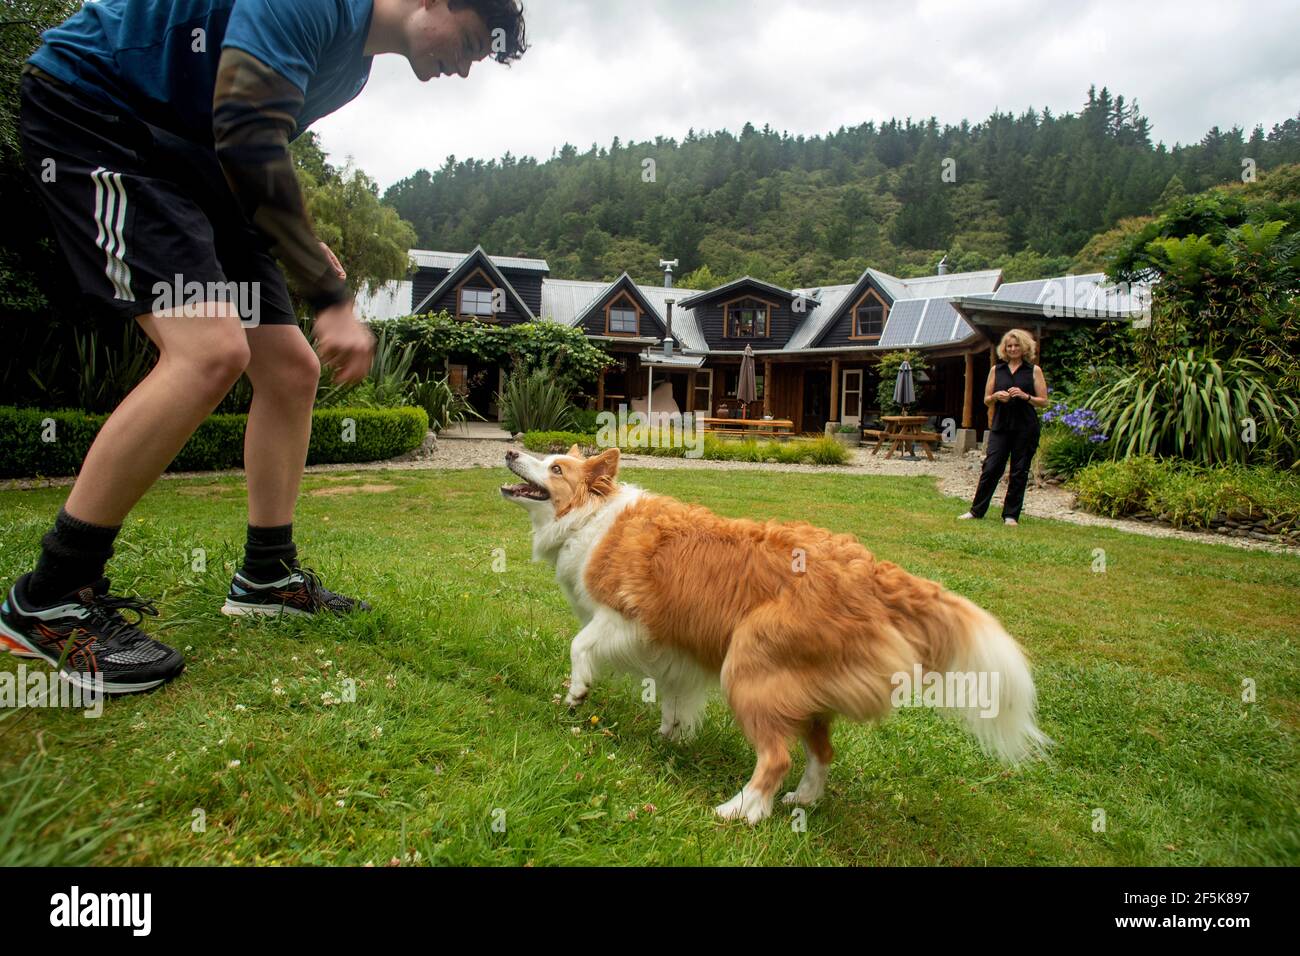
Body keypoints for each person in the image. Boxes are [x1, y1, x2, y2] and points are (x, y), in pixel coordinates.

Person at [0, 0, 529, 694]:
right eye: (470, 42)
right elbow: (247, 132)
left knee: (290, 369)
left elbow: (256, 154)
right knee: (210, 352)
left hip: (200, 164)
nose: (464, 67)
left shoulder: (352, 74)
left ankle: (267, 576)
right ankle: (50, 598)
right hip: (103, 115)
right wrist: (330, 297)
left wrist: (303, 242)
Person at [959, 329, 1048, 526]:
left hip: (1025, 426)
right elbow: (986, 400)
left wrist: (1026, 396)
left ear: (1024, 347)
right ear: (1004, 349)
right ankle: (976, 510)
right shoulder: (996, 370)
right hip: (1001, 425)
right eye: (1009, 346)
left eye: (1016, 345)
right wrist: (996, 397)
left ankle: (1011, 515)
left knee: (1019, 471)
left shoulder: (1033, 370)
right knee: (991, 468)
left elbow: (1044, 401)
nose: (1013, 349)